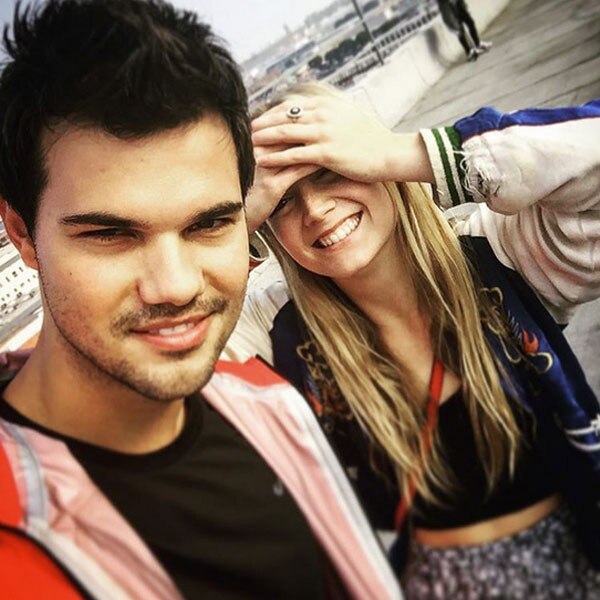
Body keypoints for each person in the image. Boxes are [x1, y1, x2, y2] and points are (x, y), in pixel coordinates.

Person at [0, 2, 402, 598]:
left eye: (209, 223)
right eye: (110, 234)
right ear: (23, 235)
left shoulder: (270, 406)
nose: (177, 285)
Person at [225, 84, 600, 597]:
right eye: (282, 201)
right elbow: (155, 367)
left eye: (329, 170)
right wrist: (235, 223)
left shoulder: (501, 254)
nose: (314, 210)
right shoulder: (274, 332)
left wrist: (404, 153)